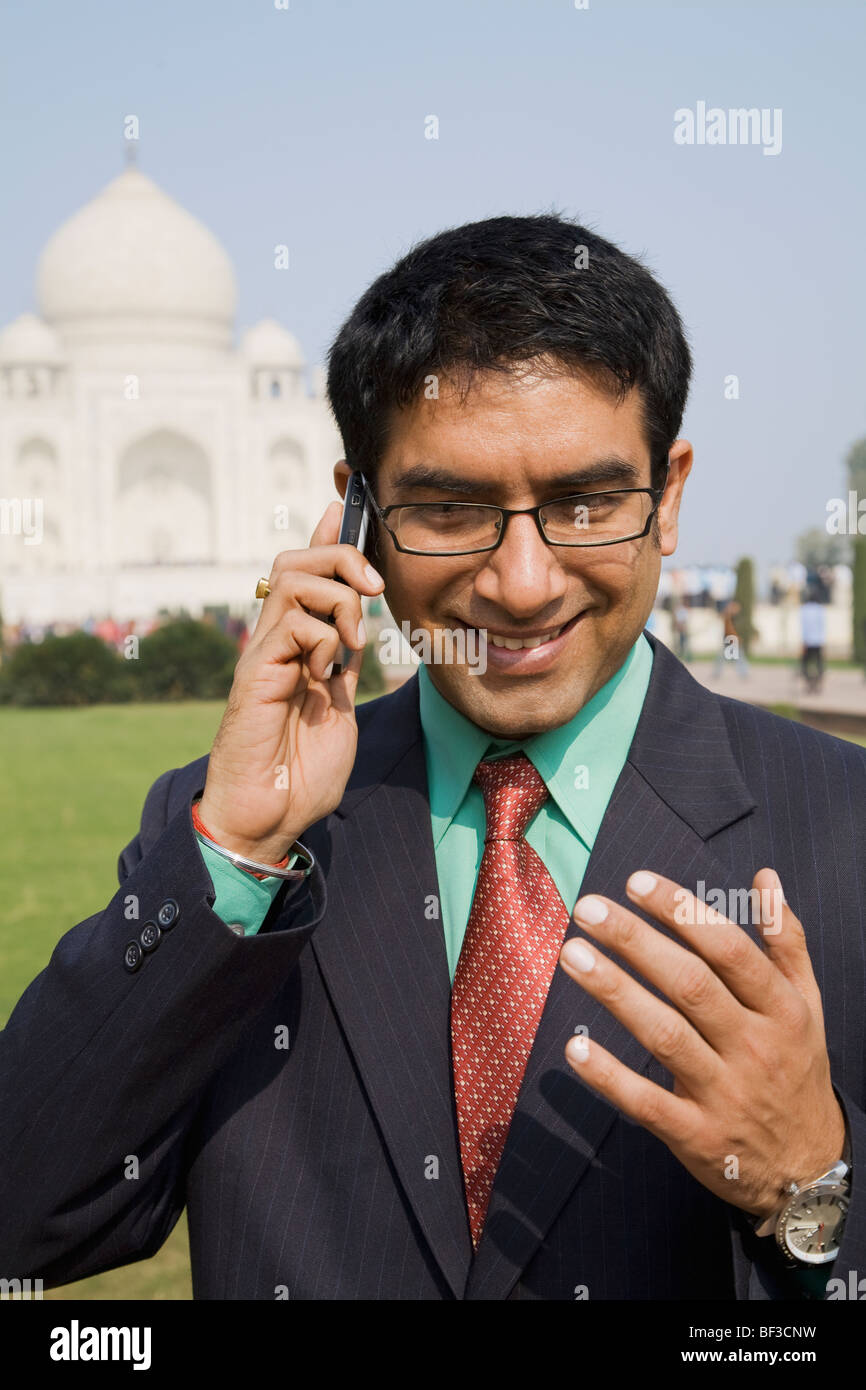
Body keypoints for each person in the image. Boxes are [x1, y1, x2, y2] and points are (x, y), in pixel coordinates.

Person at [2, 214, 864, 1302]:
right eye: (449, 510)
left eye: (583, 503)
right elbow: (23, 1212)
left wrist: (806, 1179)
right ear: (357, 511)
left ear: (669, 493)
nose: (520, 582)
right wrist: (232, 854)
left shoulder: (840, 834)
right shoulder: (249, 844)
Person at [800, 590, 827, 693]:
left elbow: (804, 627)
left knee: (805, 664)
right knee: (819, 664)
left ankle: (809, 683)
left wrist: (803, 642)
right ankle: (817, 683)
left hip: (808, 641)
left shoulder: (804, 609)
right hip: (818, 641)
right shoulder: (820, 609)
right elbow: (822, 627)